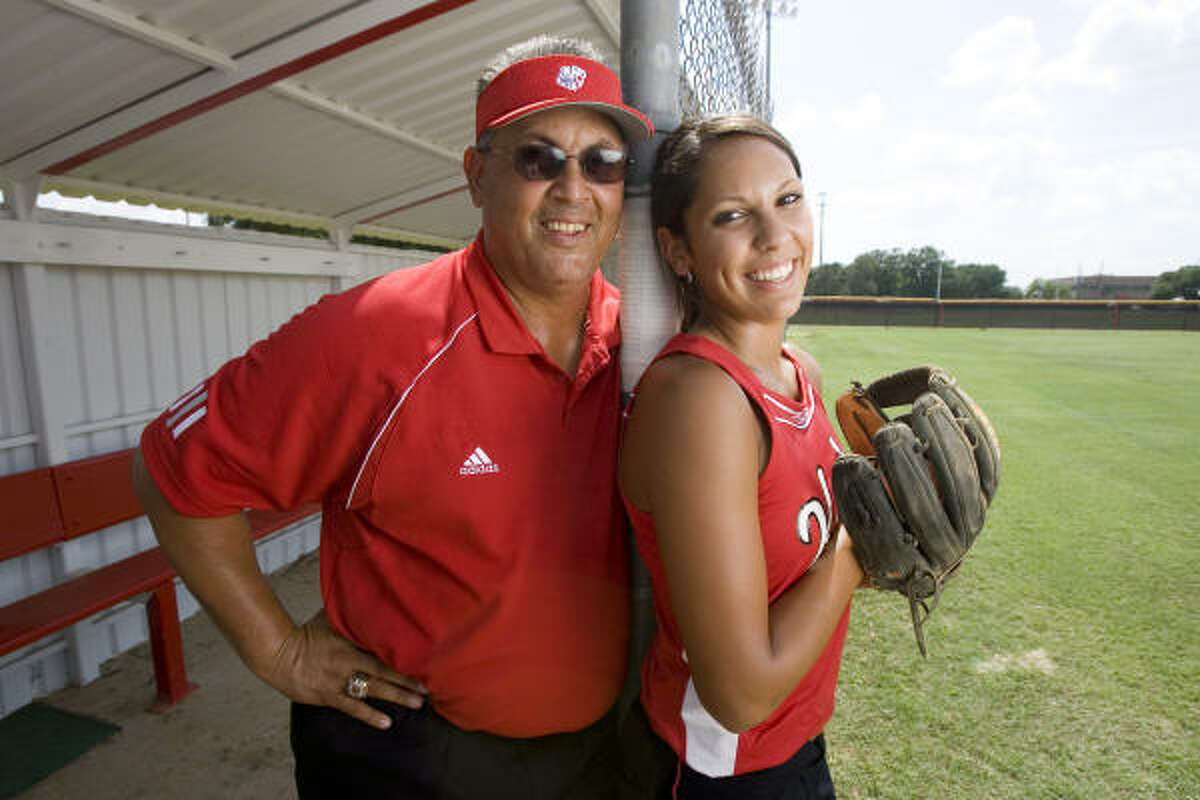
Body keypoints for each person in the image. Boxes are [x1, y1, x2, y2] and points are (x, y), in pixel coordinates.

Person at [131, 35, 652, 799]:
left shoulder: (642, 345)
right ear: (477, 175)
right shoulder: (376, 332)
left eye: (603, 162)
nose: (575, 189)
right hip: (407, 757)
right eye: (538, 158)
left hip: (592, 754)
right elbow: (171, 467)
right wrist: (279, 652)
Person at [618, 115, 865, 799]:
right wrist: (862, 543)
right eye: (733, 215)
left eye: (787, 199)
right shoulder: (702, 400)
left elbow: (807, 575)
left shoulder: (799, 371)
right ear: (679, 251)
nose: (774, 235)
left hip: (796, 745)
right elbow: (740, 693)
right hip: (724, 771)